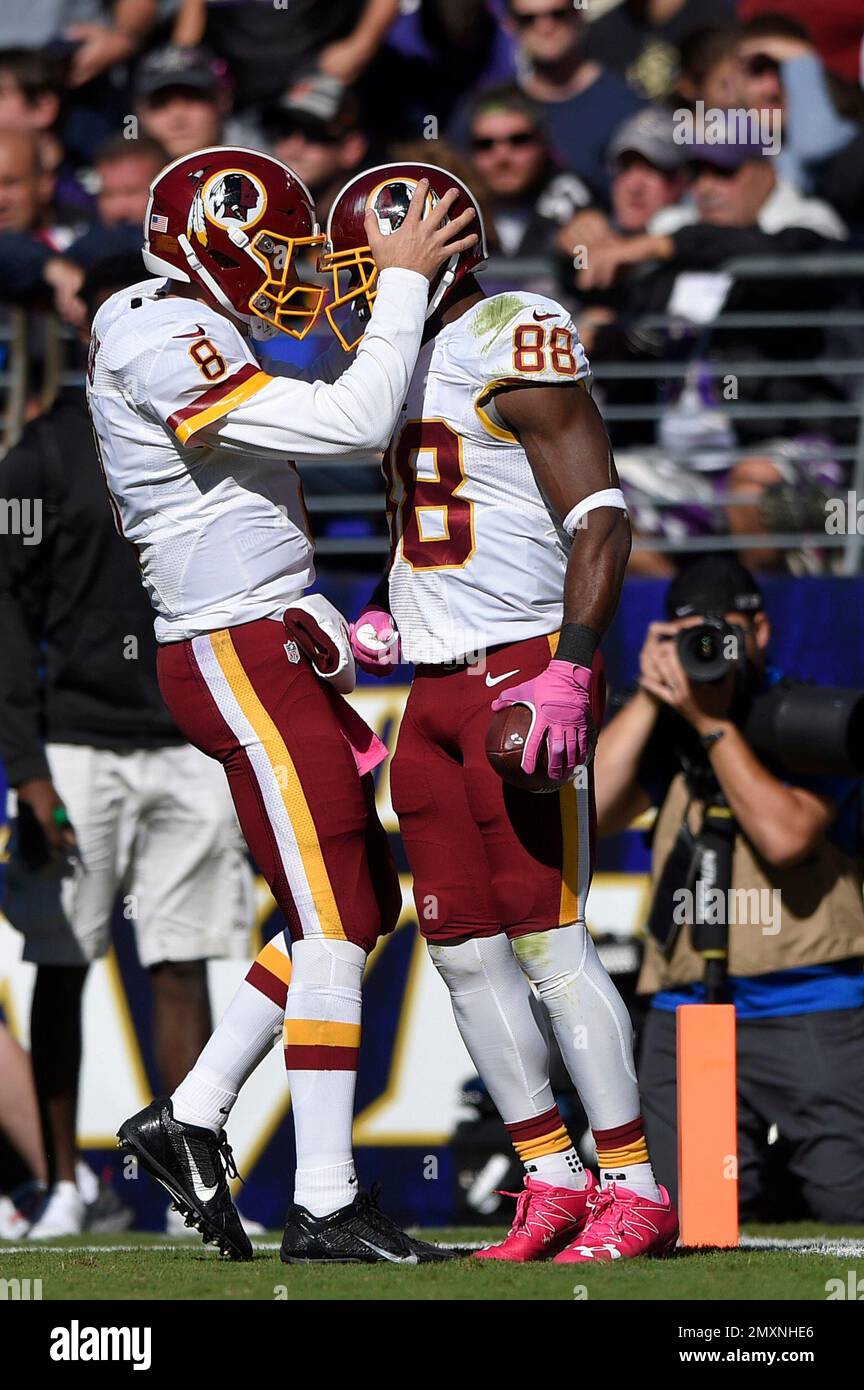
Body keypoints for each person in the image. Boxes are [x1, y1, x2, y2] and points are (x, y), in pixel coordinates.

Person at [97, 147, 477, 1263]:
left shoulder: (178, 320)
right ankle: (321, 1198)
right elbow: (357, 427)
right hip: (232, 652)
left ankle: (195, 1110)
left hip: (259, 636)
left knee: (359, 905)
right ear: (210, 238)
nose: (293, 274)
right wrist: (403, 276)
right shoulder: (158, 329)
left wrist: (295, 594)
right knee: (327, 920)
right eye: (273, 252)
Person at [320, 160, 678, 1263]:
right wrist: (386, 606)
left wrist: (570, 669)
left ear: (437, 244)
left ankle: (635, 1184)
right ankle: (551, 1175)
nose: (347, 287)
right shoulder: (398, 355)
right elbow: (448, 510)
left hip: (519, 668)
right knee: (463, 948)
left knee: (552, 938)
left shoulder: (516, 328)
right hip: (430, 686)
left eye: (361, 261)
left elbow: (601, 516)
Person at [0, 251, 255, 1240]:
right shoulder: (48, 451)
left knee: (183, 961)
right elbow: (7, 617)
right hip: (78, 744)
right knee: (62, 960)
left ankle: (186, 1188)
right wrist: (26, 769)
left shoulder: (217, 429)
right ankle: (65, 1183)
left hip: (190, 733)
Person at [593, 557, 864, 1222]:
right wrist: (657, 695)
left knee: (850, 1207)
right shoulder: (662, 725)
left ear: (762, 632)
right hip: (688, 1009)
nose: (705, 651)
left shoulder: (806, 719)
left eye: (722, 634)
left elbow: (786, 837)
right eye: (688, 636)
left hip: (808, 1000)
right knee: (696, 1220)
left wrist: (713, 727)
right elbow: (588, 811)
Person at [467, 85, 589, 261]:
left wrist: (588, 227)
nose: (502, 157)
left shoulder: (575, 197)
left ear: (543, 143)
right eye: (485, 144)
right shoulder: (452, 210)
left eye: (519, 140)